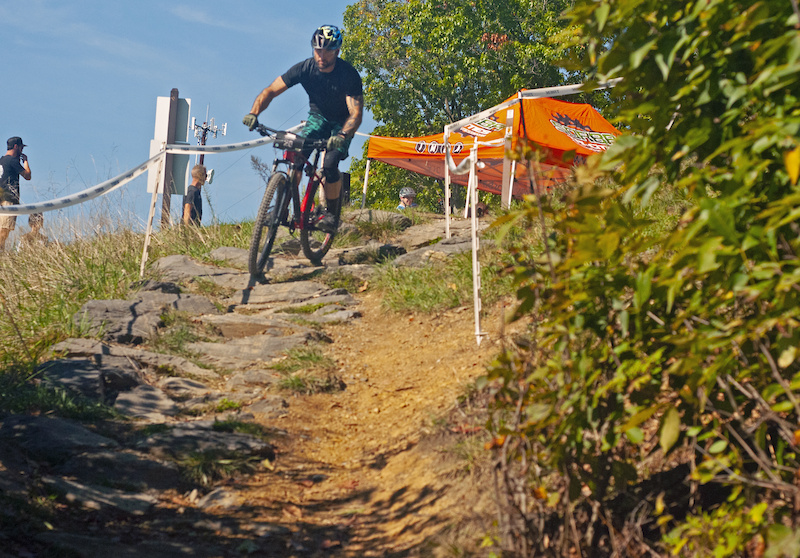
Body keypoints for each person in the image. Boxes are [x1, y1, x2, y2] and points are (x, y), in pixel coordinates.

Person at [243, 24, 363, 234]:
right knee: (296, 158)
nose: (321, 55)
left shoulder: (348, 75)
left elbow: (355, 114)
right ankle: (281, 210)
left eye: (327, 50)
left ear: (337, 51)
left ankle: (332, 215)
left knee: (330, 163)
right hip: (317, 118)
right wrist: (254, 113)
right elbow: (270, 91)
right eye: (317, 50)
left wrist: (343, 134)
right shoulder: (304, 69)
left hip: (341, 122)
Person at [0, 137, 32, 250]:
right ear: (16, 147)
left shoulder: (2, 160)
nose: (22, 151)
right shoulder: (12, 161)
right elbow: (27, 176)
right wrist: (26, 161)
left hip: (1, 197)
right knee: (5, 228)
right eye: (21, 147)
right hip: (9, 198)